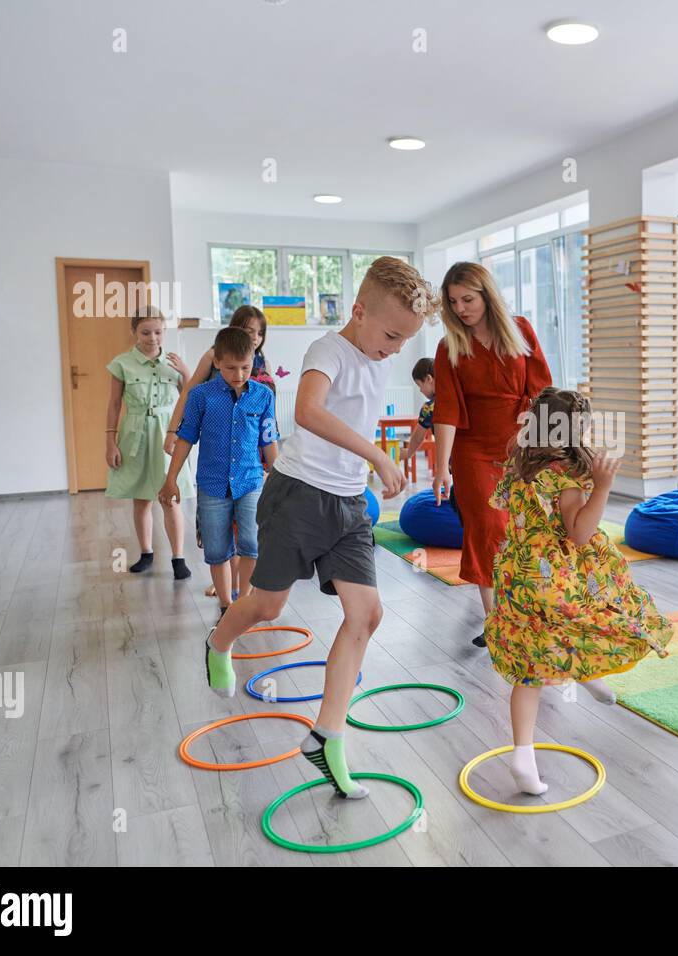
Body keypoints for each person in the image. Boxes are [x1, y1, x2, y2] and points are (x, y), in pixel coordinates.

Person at [201, 257, 436, 799]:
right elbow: (307, 411)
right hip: (298, 497)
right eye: (392, 335)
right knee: (267, 606)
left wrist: (367, 471)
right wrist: (379, 455)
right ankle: (218, 642)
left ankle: (327, 737)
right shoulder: (328, 350)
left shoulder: (381, 354)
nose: (397, 349)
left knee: (368, 613)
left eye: (407, 339)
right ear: (358, 311)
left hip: (349, 506)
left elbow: (353, 417)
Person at [484, 387, 673, 794]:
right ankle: (586, 670)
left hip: (517, 575)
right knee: (607, 608)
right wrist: (602, 487)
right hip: (555, 577)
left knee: (529, 665)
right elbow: (580, 532)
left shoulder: (518, 467)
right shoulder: (564, 475)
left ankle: (523, 755)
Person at [431, 262, 552, 647]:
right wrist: (440, 470)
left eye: (468, 299)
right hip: (472, 452)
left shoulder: (521, 330)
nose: (461, 308)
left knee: (524, 528)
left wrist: (532, 429)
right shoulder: (449, 346)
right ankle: (497, 620)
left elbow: (543, 391)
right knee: (487, 529)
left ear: (487, 294)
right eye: (454, 302)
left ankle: (530, 610)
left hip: (521, 447)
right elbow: (446, 410)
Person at [159, 326, 278, 617]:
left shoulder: (263, 396)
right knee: (216, 548)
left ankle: (245, 601)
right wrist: (171, 479)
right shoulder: (201, 396)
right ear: (216, 362)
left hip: (250, 482)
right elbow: (186, 437)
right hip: (212, 485)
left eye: (246, 368)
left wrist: (279, 477)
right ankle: (226, 604)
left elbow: (269, 439)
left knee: (251, 543)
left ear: (254, 361)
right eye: (231, 368)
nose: (239, 375)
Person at [103, 305, 193, 579]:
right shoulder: (121, 364)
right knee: (141, 498)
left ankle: (178, 557)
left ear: (164, 332)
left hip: (168, 435)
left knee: (170, 498)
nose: (152, 338)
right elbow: (114, 404)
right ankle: (146, 552)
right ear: (133, 332)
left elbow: (191, 397)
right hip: (134, 435)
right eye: (145, 332)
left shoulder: (175, 362)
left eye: (158, 332)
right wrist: (110, 442)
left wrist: (187, 373)